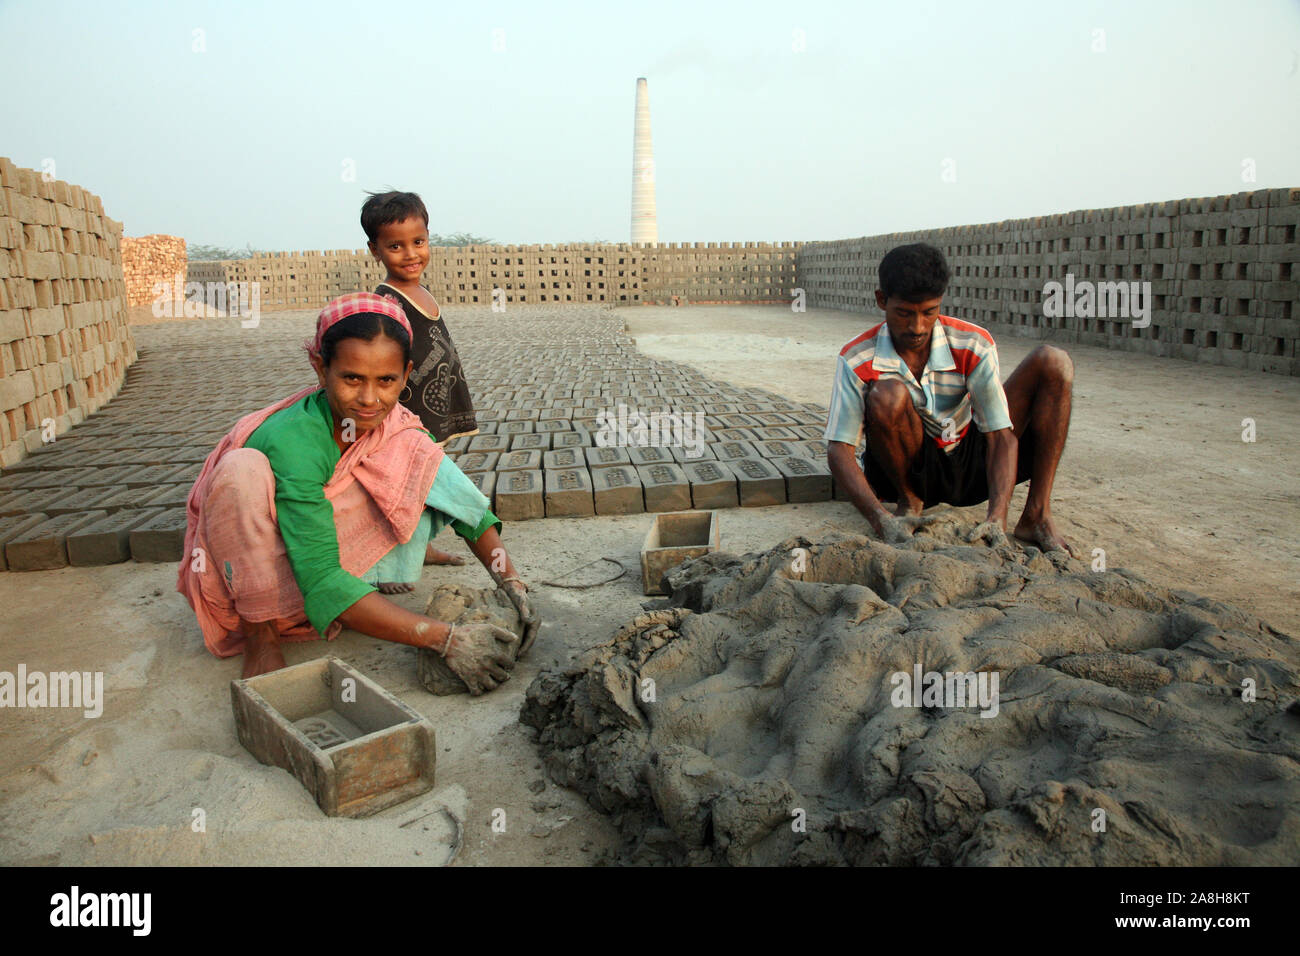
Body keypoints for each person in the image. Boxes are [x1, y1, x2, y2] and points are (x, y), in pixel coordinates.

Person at [176, 293, 538, 692]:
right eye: (352, 378)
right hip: (278, 574)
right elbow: (322, 577)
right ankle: (261, 634)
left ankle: (363, 593)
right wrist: (444, 638)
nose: (369, 399)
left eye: (386, 380)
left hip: (324, 564)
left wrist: (512, 584)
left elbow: (470, 509)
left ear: (406, 374)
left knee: (416, 453)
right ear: (320, 368)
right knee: (239, 472)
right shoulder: (293, 438)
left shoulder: (396, 424)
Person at [824, 243, 1075, 554]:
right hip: (903, 470)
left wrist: (997, 519)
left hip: (966, 460)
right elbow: (839, 450)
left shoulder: (972, 344)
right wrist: (880, 520)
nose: (917, 327)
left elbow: (1000, 436)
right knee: (887, 394)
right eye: (904, 313)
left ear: (940, 303)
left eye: (929, 313)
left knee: (1054, 361)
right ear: (881, 300)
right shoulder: (857, 357)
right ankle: (910, 504)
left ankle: (1037, 514)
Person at [363, 190, 478, 568]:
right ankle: (394, 558)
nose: (411, 254)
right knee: (404, 485)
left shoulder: (422, 291)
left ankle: (422, 547)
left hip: (435, 404)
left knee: (425, 480)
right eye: (395, 246)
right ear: (375, 250)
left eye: (419, 242)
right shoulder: (387, 302)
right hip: (408, 413)